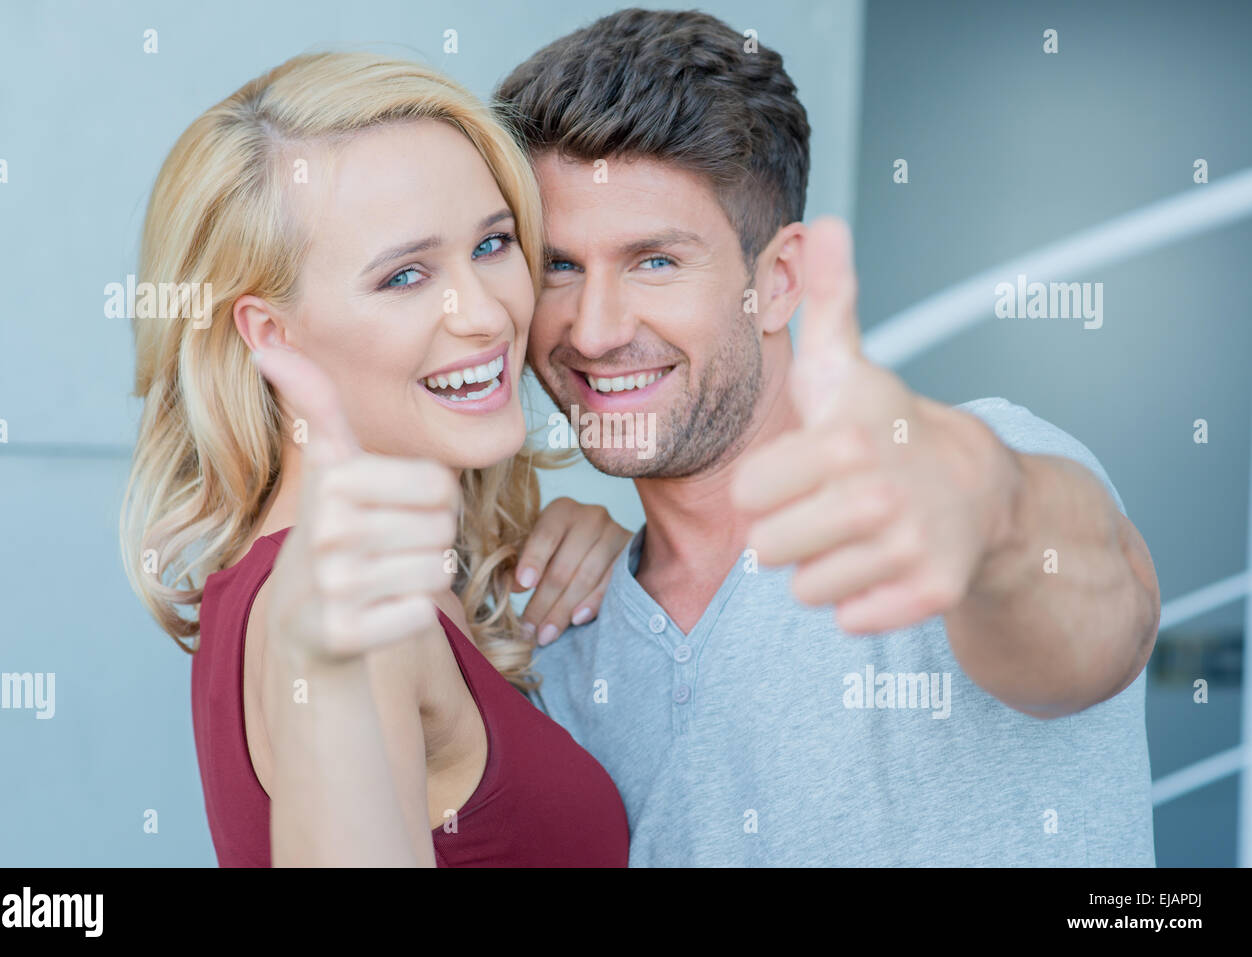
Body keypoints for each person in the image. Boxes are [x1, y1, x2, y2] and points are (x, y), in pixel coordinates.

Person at [497, 9, 1162, 866]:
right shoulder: (556, 631)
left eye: (655, 261)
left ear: (777, 282)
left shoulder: (967, 479)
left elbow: (1100, 618)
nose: (592, 330)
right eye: (560, 266)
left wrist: (995, 520)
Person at [120, 52, 631, 866]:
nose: (486, 314)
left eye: (494, 244)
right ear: (271, 335)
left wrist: (606, 560)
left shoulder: (396, 584)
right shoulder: (343, 612)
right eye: (405, 275)